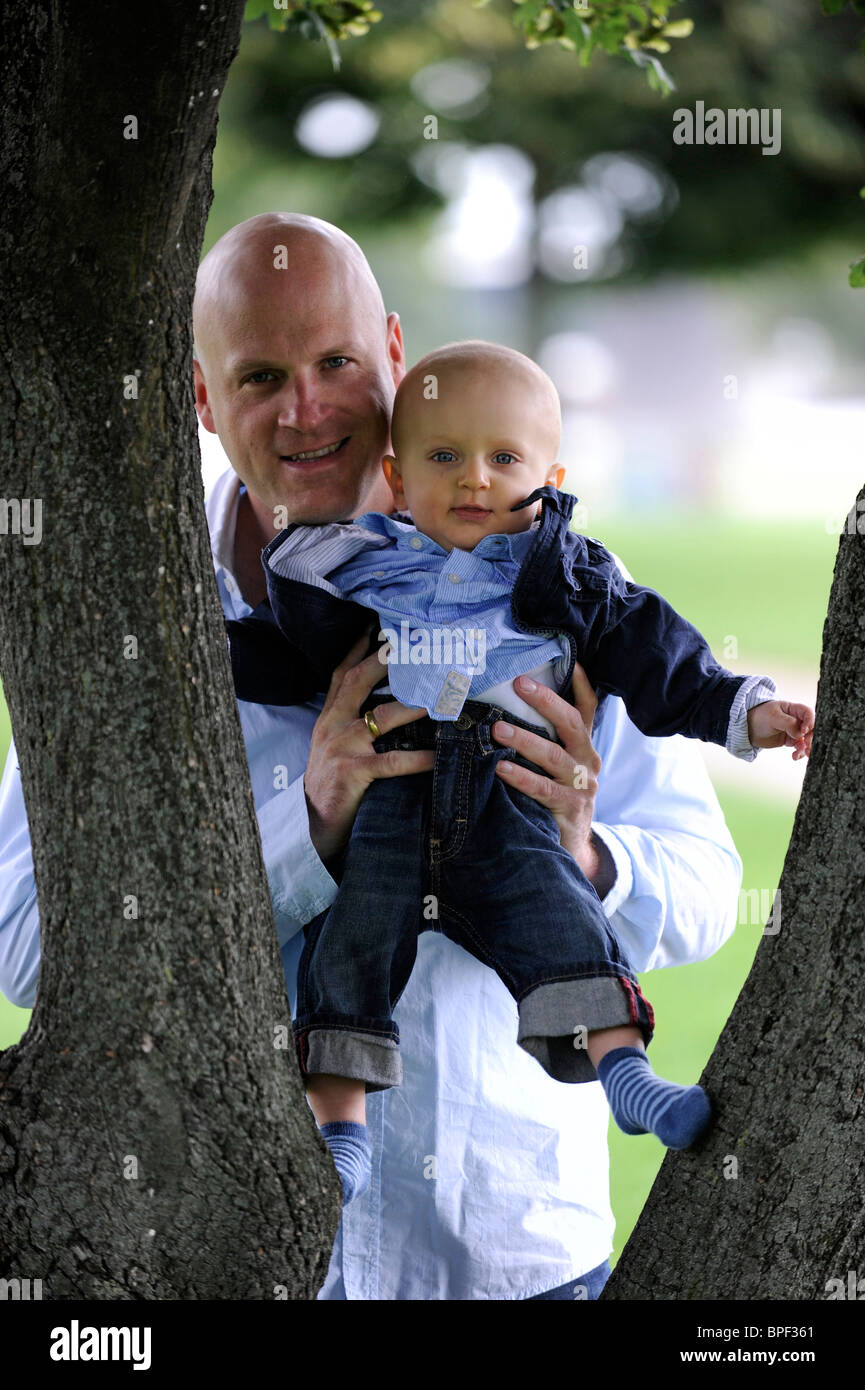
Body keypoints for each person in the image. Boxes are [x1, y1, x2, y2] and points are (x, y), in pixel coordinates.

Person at [0, 212, 747, 1301]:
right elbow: (30, 946)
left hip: (510, 1257)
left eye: (336, 362)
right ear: (202, 400)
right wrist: (303, 833)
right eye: (260, 375)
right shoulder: (146, 621)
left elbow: (713, 886)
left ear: (393, 356)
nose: (306, 410)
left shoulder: (558, 587)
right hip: (226, 1266)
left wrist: (582, 852)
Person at [226, 339, 813, 1196]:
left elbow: (658, 658)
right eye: (443, 458)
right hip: (390, 796)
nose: (474, 479)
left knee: (563, 918)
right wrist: (191, 657)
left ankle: (624, 1072)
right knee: (348, 942)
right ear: (397, 477)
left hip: (510, 796)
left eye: (502, 459)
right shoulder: (358, 574)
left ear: (548, 472)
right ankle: (339, 1123)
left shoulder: (571, 581)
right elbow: (275, 656)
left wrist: (745, 713)